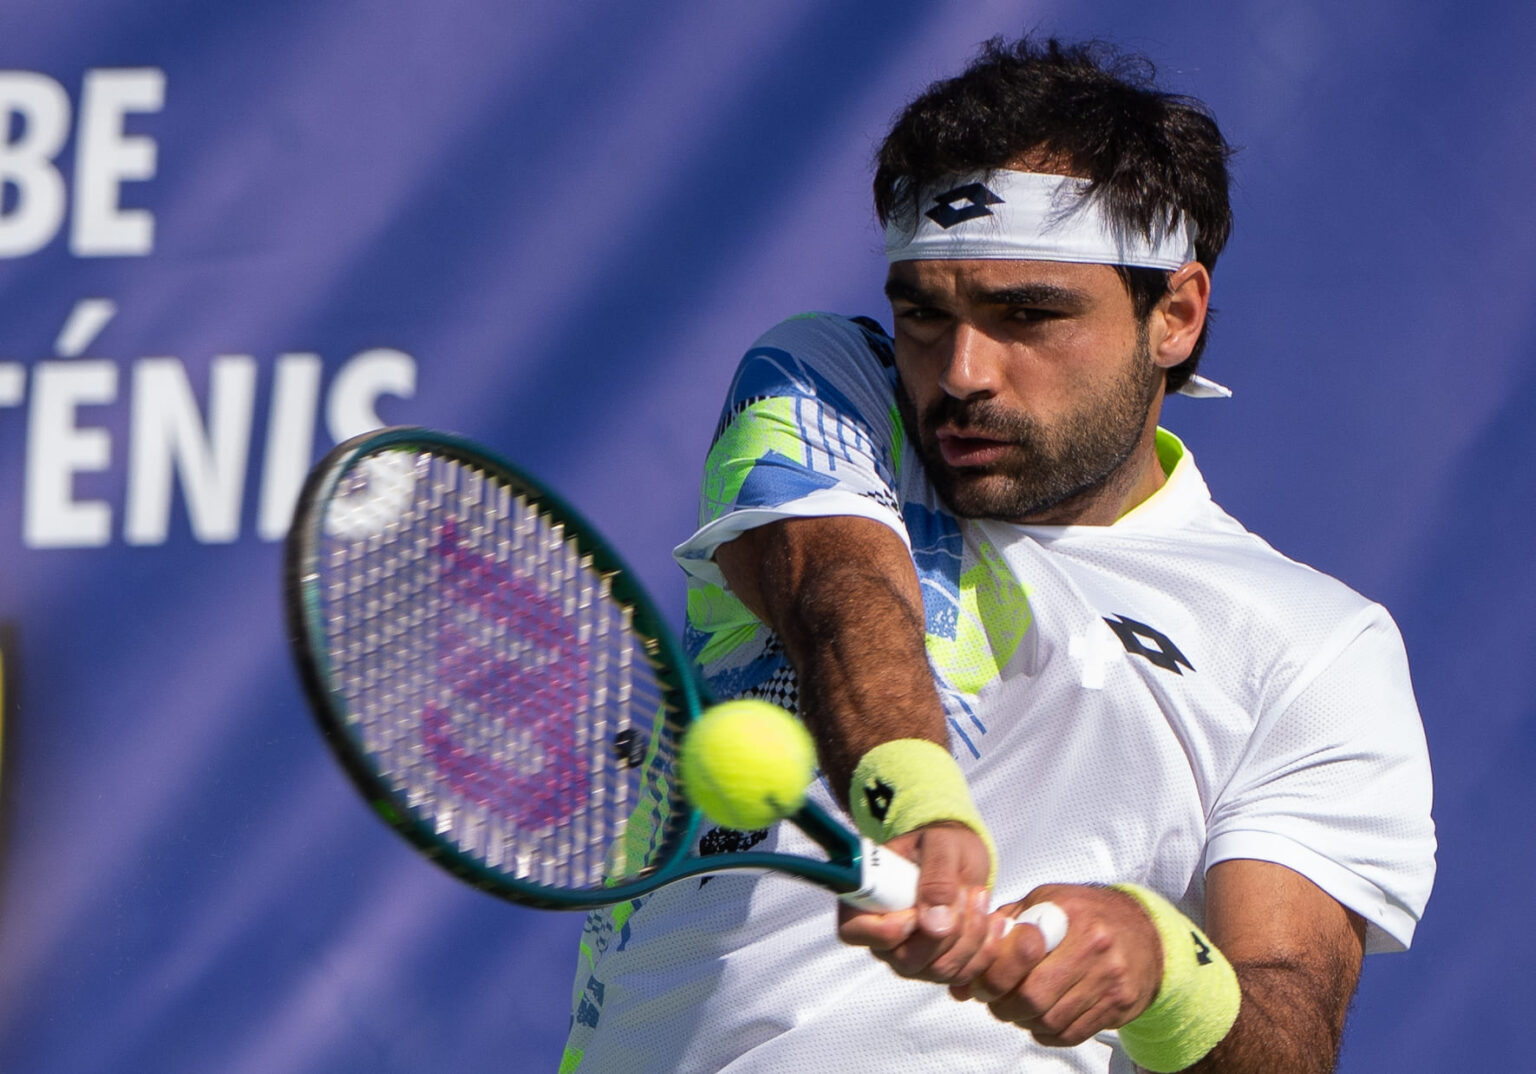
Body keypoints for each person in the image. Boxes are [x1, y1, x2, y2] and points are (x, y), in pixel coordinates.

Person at [560, 35, 1434, 1074]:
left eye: (1028, 315)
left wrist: (1165, 972)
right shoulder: (831, 379)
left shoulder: (1315, 644)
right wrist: (921, 809)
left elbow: (1289, 1039)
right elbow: (837, 588)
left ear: (1177, 316)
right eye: (927, 314)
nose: (961, 372)